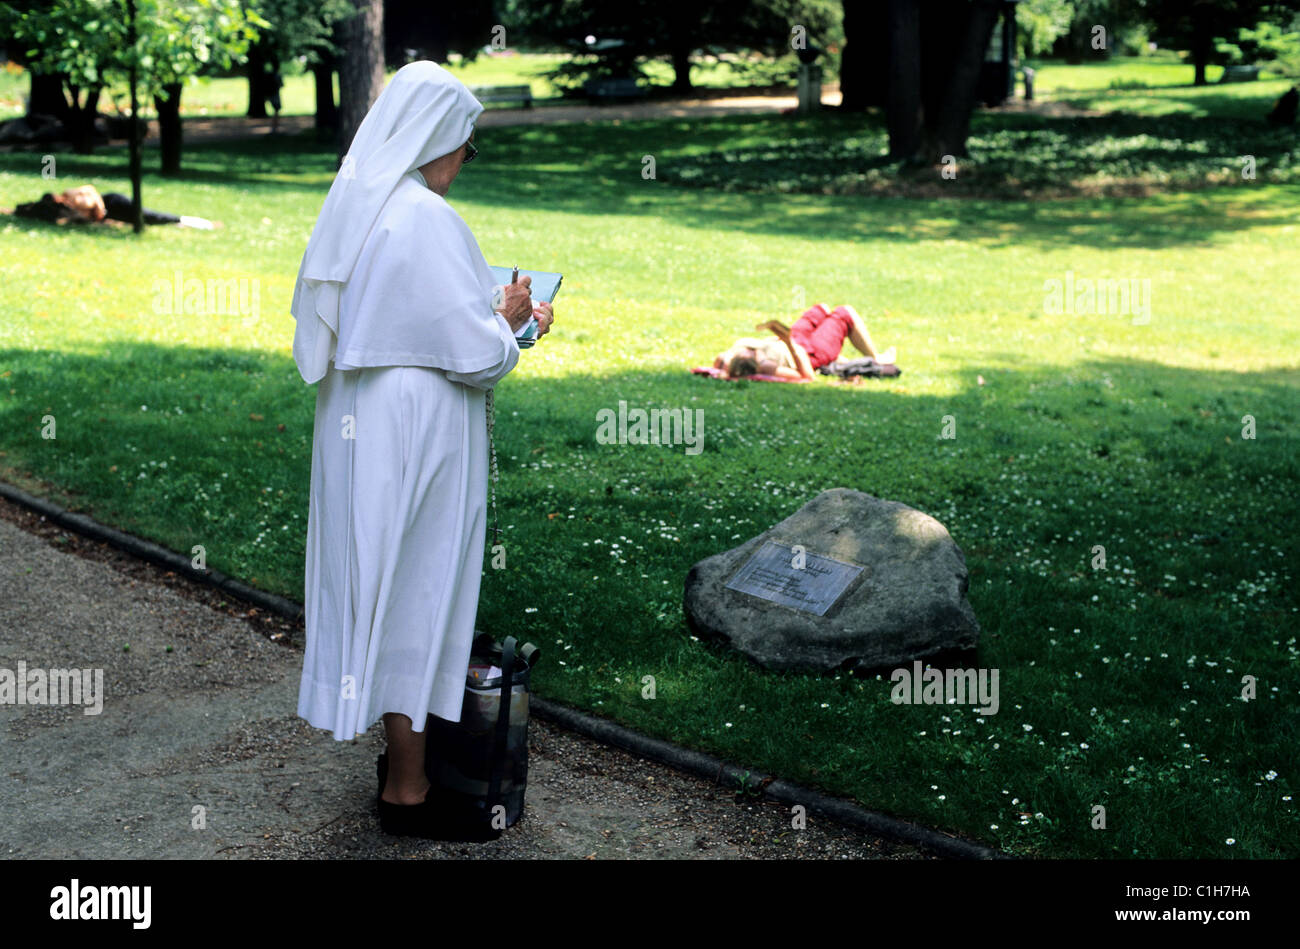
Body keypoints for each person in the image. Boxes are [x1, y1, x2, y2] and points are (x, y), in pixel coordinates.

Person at [290, 61, 553, 840]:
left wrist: (489, 316)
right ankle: (408, 790)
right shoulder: (427, 218)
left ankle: (400, 763)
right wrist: (510, 321)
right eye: (465, 147)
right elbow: (474, 352)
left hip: (359, 420)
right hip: (420, 427)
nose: (463, 162)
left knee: (381, 579)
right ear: (439, 138)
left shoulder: (360, 207)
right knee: (417, 586)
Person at [713, 303, 895, 380]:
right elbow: (807, 375)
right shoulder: (766, 366)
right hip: (811, 352)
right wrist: (788, 342)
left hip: (793, 338)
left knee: (821, 308)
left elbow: (717, 365)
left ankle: (840, 359)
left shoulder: (727, 358)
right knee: (845, 313)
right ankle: (875, 358)